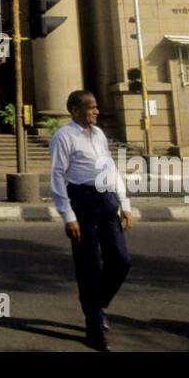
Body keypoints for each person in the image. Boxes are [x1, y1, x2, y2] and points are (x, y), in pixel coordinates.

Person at [49, 90, 132, 351]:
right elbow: (57, 177)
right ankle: (94, 330)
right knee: (90, 268)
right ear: (75, 111)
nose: (96, 111)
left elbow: (111, 169)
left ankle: (97, 304)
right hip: (83, 204)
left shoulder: (99, 135)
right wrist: (68, 215)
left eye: (96, 107)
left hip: (107, 202)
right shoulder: (64, 137)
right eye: (91, 107)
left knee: (120, 260)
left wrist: (125, 204)